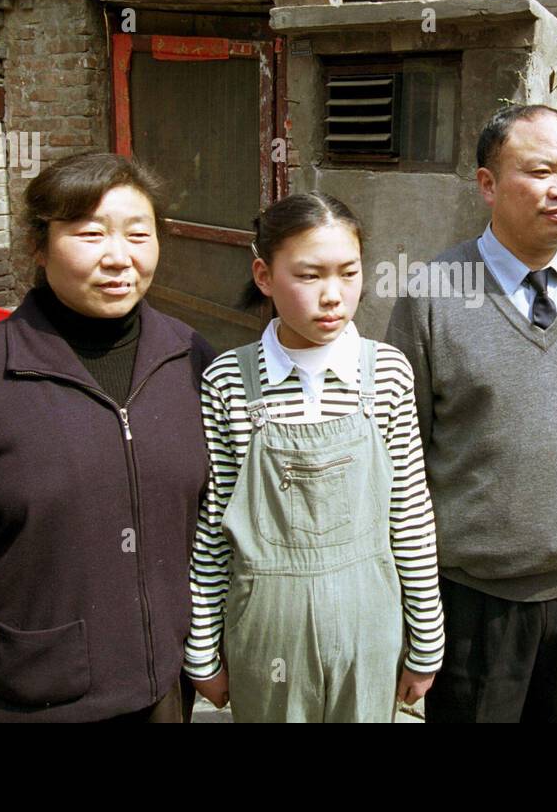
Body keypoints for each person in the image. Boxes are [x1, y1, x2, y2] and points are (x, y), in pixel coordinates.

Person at [0, 151, 216, 722]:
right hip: (32, 685)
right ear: (39, 248)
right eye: (90, 235)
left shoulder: (189, 358)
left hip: (161, 675)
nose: (119, 257)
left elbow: (214, 514)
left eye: (138, 235)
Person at [386, 104, 557, 723]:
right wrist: (409, 590)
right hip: (471, 597)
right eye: (540, 171)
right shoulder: (432, 296)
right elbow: (398, 453)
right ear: (488, 185)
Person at [184, 192, 444, 722]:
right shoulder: (229, 381)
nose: (334, 296)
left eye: (348, 273)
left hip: (368, 622)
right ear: (263, 276)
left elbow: (411, 515)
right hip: (266, 627)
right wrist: (202, 649)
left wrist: (426, 640)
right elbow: (213, 528)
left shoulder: (388, 372)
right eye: (309, 276)